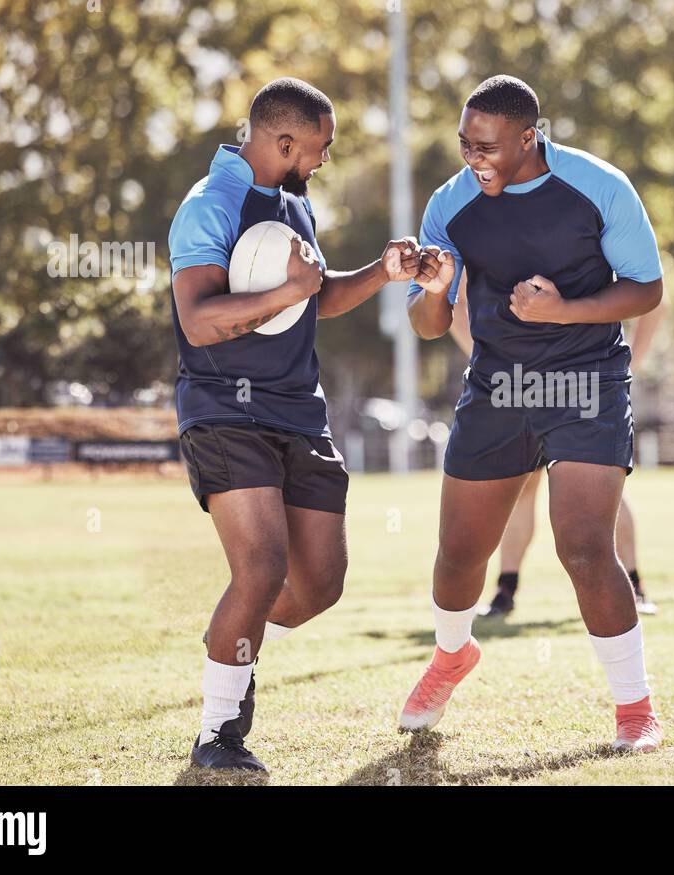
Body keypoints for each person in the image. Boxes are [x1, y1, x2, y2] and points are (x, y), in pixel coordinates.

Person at [167, 77, 431, 772]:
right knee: (260, 565)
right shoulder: (209, 204)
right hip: (225, 406)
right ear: (282, 142)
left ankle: (235, 628)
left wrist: (382, 269)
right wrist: (288, 287)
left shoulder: (291, 205)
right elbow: (199, 320)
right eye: (317, 150)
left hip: (299, 411)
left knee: (319, 584)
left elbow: (311, 302)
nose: (321, 162)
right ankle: (218, 732)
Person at [401, 75, 666, 751]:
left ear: (529, 137)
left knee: (582, 544)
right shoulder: (450, 205)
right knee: (460, 553)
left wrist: (564, 310)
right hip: (498, 385)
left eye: (486, 146)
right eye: (464, 143)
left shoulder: (599, 186)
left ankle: (634, 708)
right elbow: (429, 323)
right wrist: (432, 291)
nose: (473, 158)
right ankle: (452, 652)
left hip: (588, 381)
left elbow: (647, 288)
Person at [446, 275, 666, 617]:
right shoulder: (489, 238)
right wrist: (487, 362)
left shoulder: (597, 236)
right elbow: (455, 303)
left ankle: (633, 585)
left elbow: (654, 299)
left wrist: (626, 365)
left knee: (599, 489)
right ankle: (506, 589)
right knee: (522, 488)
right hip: (518, 386)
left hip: (582, 384)